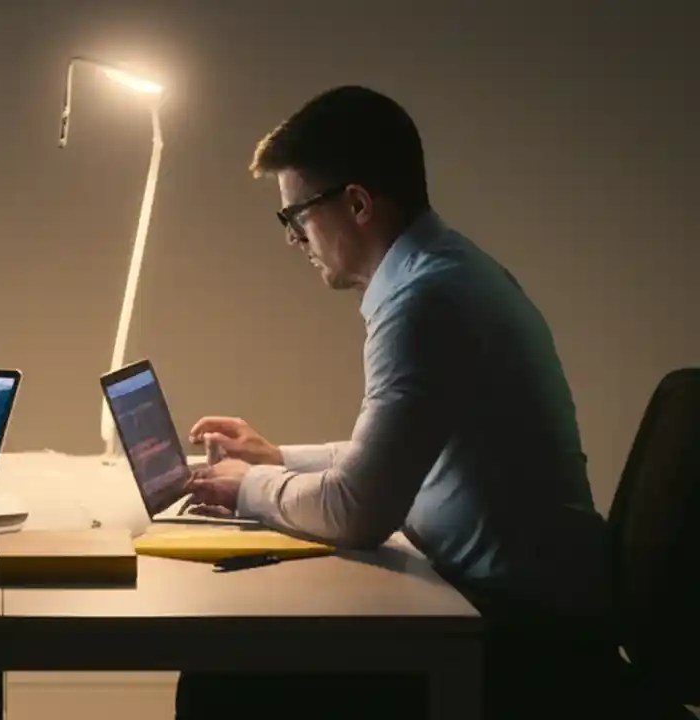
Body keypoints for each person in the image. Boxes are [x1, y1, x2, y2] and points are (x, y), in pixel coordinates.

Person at [176, 85, 625, 719]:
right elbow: (400, 456)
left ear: (356, 203)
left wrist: (246, 486)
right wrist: (277, 455)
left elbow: (359, 508)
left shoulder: (424, 303)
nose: (293, 239)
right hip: (522, 613)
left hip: (526, 648)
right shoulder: (449, 272)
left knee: (221, 685)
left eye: (295, 216)